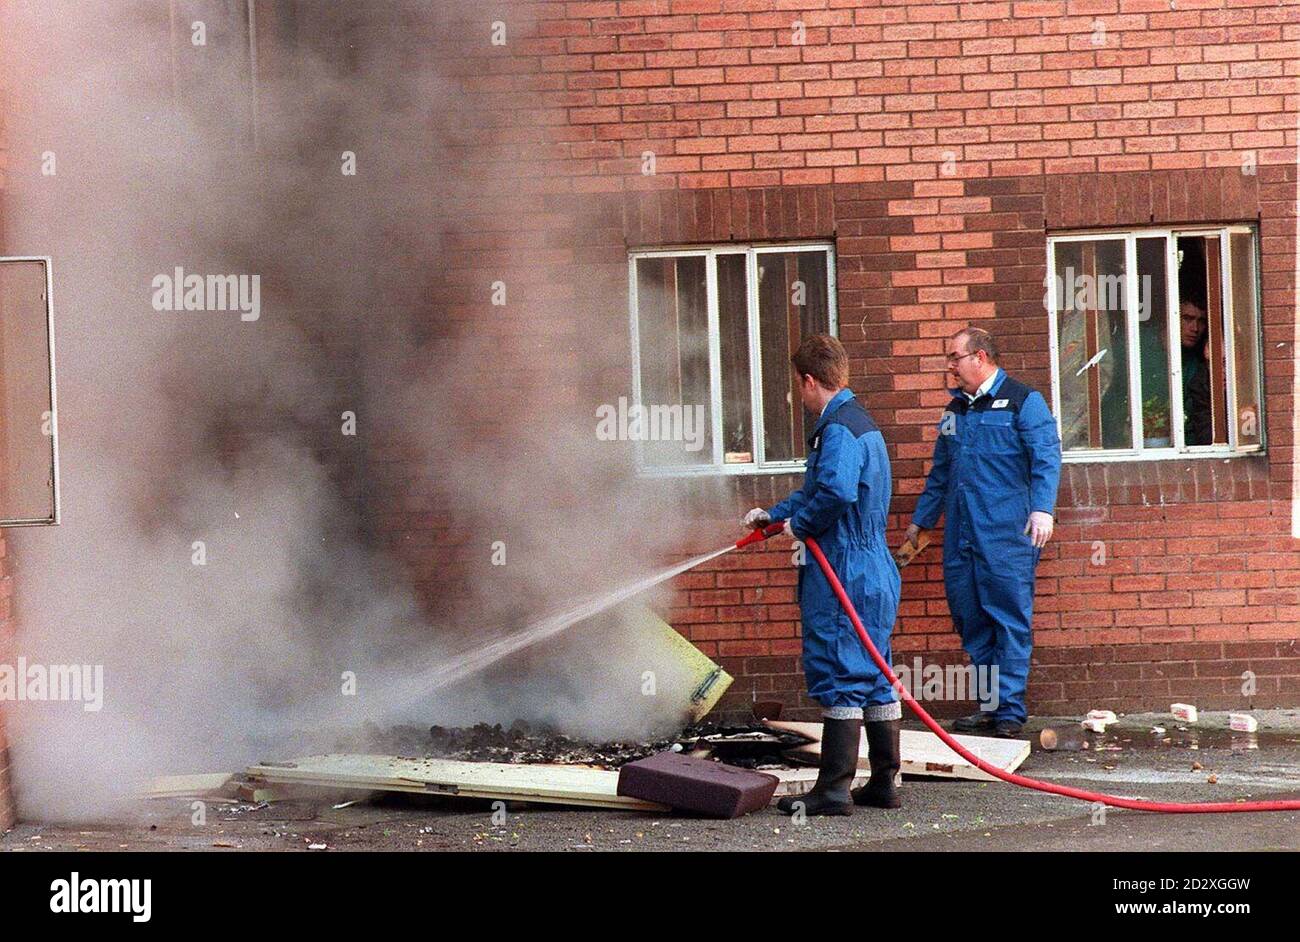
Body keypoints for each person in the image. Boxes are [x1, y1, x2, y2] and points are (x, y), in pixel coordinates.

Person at [742, 334, 901, 815]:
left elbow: (832, 495)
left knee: (840, 672)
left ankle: (833, 789)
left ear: (810, 381)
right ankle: (884, 784)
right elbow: (819, 490)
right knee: (875, 675)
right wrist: (772, 518)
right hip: (874, 568)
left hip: (844, 568)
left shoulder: (836, 431)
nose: (799, 396)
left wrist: (799, 526)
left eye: (799, 386)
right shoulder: (860, 423)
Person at [906, 327, 1062, 738]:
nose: (951, 367)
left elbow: (1046, 456)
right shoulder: (956, 410)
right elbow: (940, 473)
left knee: (1008, 620)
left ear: (980, 357)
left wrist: (1043, 508)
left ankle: (1009, 711)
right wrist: (921, 521)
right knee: (971, 620)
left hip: (1007, 533)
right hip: (962, 533)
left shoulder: (1023, 401)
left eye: (955, 358)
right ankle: (990, 706)